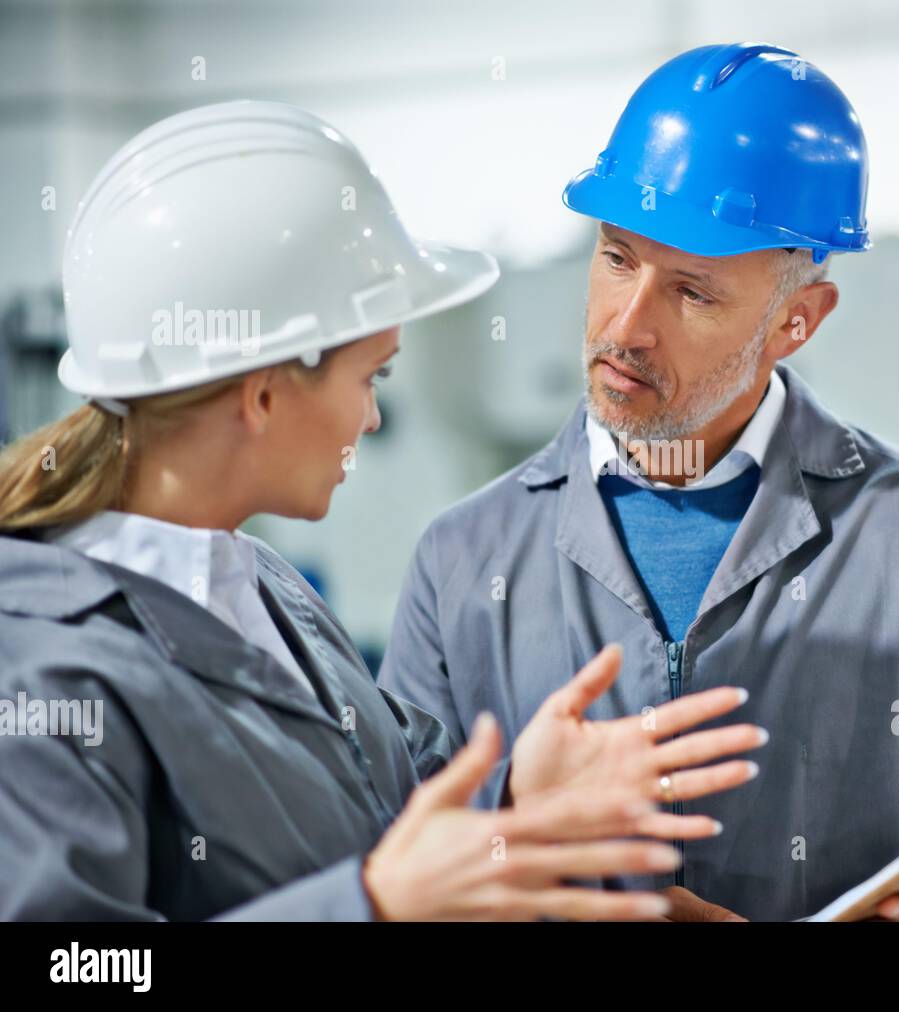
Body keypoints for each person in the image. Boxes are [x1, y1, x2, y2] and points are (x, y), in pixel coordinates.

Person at [378, 43, 899, 922]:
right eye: (616, 258)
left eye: (693, 292)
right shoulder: (464, 557)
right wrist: (519, 818)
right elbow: (393, 850)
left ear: (797, 320)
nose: (628, 326)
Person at [0, 100, 766, 922]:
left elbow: (389, 803)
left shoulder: (259, 586)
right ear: (262, 394)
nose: (370, 419)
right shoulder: (40, 671)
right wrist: (368, 907)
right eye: (374, 377)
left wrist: (517, 798)